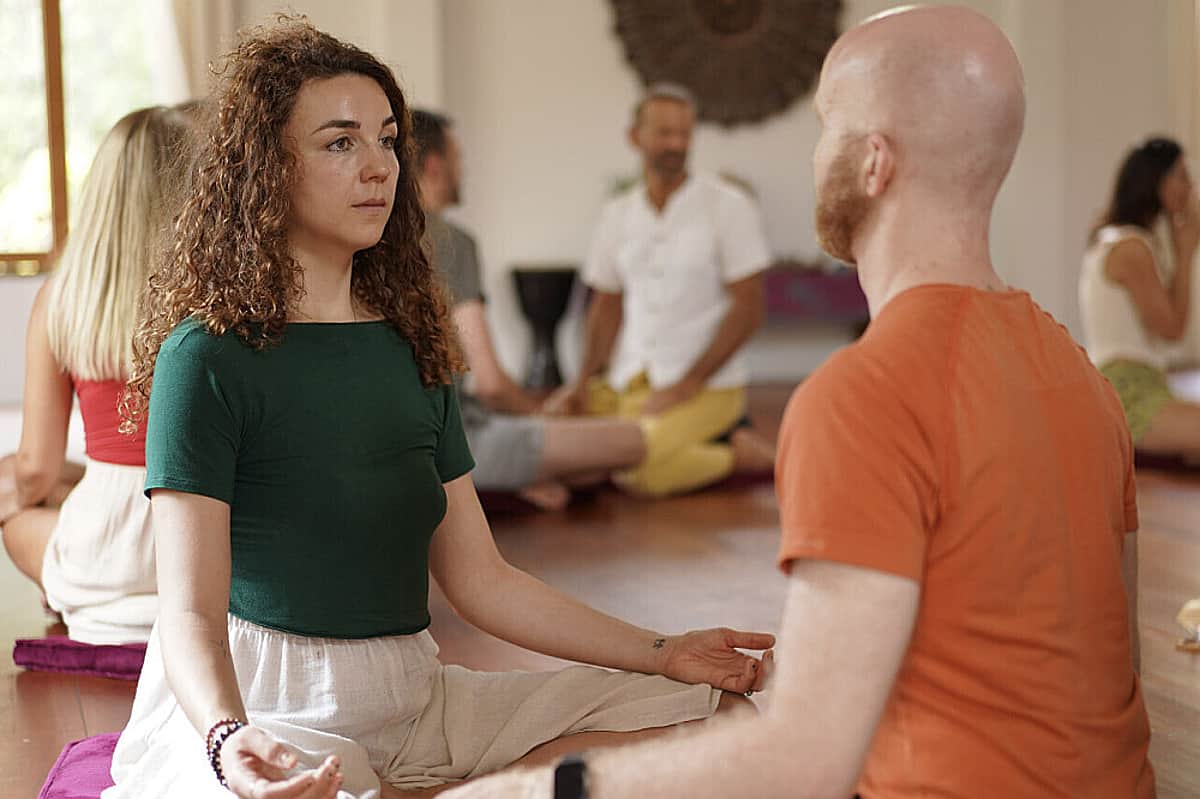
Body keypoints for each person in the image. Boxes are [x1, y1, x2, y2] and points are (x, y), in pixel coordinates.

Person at [447, 6, 1154, 797]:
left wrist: (532, 791)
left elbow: (806, 764)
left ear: (873, 163)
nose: (820, 151)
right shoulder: (1083, 377)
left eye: (827, 124)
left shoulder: (862, 396)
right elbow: (1108, 655)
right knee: (675, 724)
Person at [102, 20, 771, 799]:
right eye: (340, 143)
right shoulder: (206, 357)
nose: (379, 166)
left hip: (418, 698)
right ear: (266, 169)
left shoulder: (413, 343)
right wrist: (226, 737)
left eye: (388, 140)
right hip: (267, 709)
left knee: (721, 714)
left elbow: (483, 579)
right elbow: (188, 614)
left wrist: (664, 651)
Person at [413, 109, 674, 511]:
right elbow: (490, 384)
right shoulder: (450, 240)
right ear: (433, 166)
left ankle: (520, 477)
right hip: (456, 442)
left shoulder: (372, 239)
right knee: (632, 441)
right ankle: (491, 483)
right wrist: (541, 416)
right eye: (458, 158)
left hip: (416, 440)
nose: (463, 168)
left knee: (582, 466)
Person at [0, 105, 191, 644]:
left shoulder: (61, 301)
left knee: (18, 520)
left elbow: (34, 471)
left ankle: (85, 595)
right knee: (68, 475)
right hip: (207, 547)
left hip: (105, 554)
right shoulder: (225, 298)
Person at [544, 84, 776, 497]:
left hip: (709, 388)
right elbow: (606, 306)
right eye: (665, 133)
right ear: (636, 137)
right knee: (547, 432)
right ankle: (713, 443)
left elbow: (749, 308)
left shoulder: (728, 206)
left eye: (684, 133)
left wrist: (688, 384)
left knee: (642, 473)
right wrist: (581, 382)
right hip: (628, 384)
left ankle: (737, 457)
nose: (676, 144)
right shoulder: (617, 215)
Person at [1080, 136, 1200, 458]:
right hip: (1127, 391)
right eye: (1181, 175)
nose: (1190, 186)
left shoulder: (1126, 240)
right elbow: (1172, 328)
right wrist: (1186, 250)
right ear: (1156, 181)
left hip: (1142, 383)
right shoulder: (1130, 247)